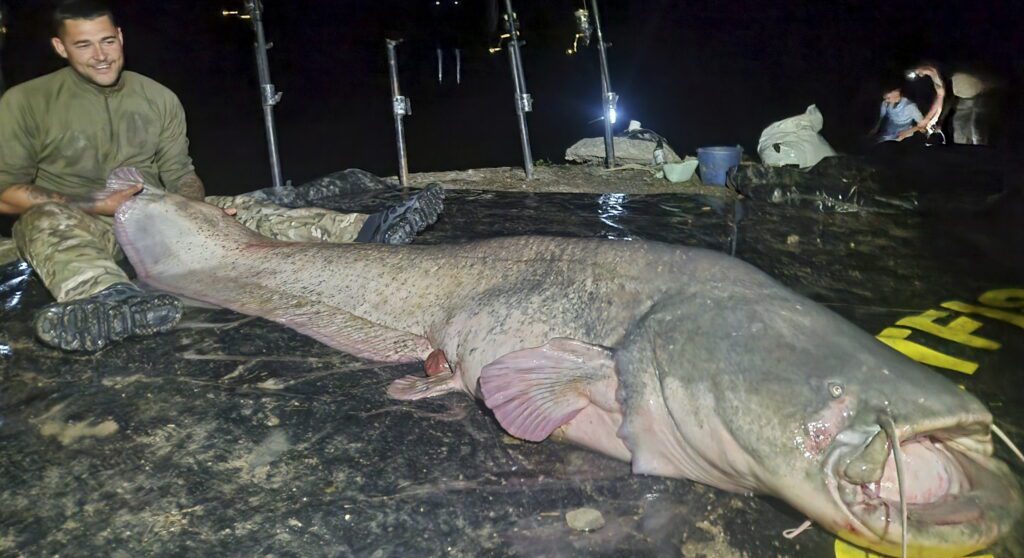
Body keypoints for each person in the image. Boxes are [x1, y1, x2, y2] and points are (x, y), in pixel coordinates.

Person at [0, 0, 444, 353]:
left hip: (156, 215)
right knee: (39, 221)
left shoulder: (158, 97)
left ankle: (368, 229)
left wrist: (194, 206)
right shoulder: (26, 102)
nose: (100, 56)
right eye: (83, 45)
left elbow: (181, 174)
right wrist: (97, 204)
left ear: (121, 37)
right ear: (60, 47)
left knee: (238, 207)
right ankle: (111, 301)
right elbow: (6, 192)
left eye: (107, 41)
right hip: (84, 220)